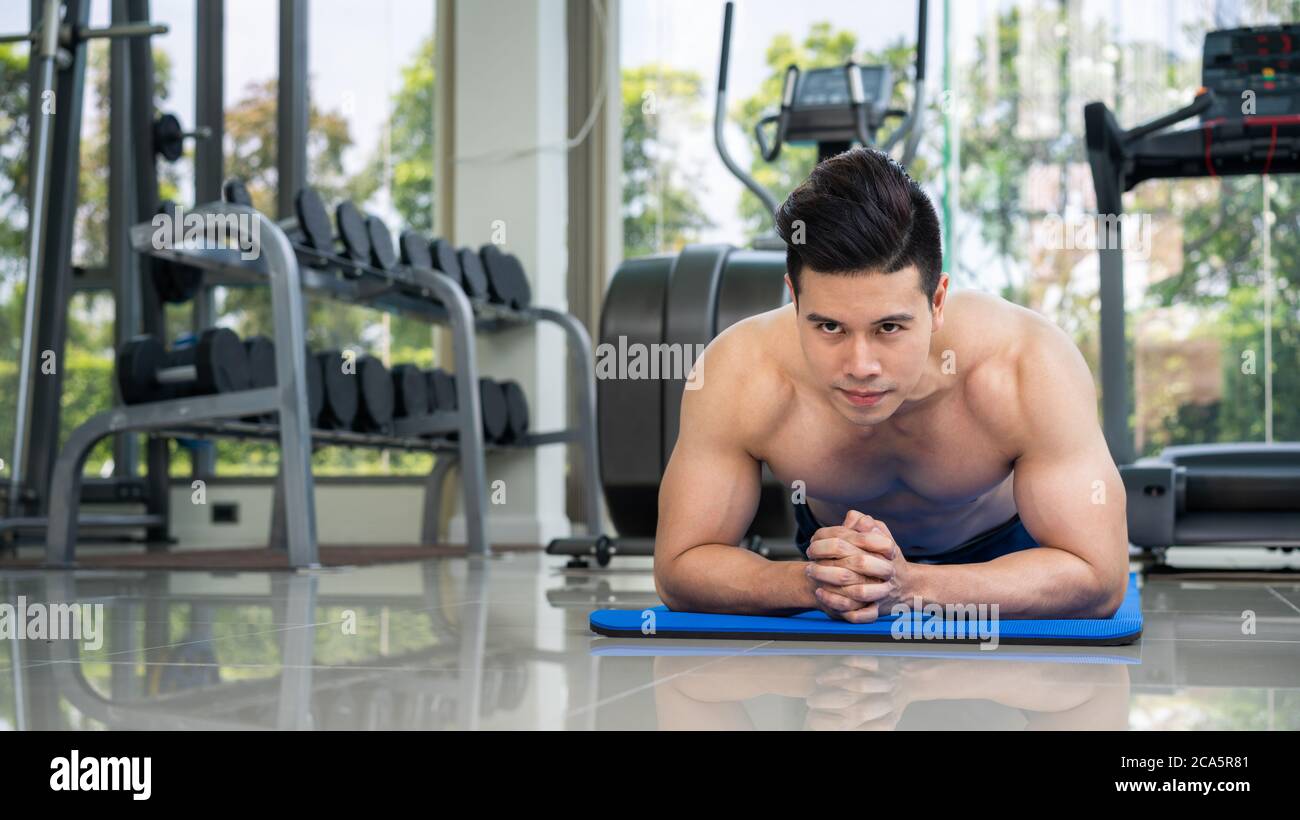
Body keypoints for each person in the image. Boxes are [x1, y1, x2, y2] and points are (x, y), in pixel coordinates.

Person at [653, 148, 1129, 622]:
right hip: (833, 569)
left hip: (1009, 565)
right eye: (830, 328)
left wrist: (910, 586)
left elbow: (1098, 577)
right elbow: (680, 565)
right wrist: (814, 582)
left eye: (889, 328)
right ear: (795, 299)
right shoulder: (741, 371)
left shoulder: (1027, 364)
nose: (861, 366)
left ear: (937, 301)